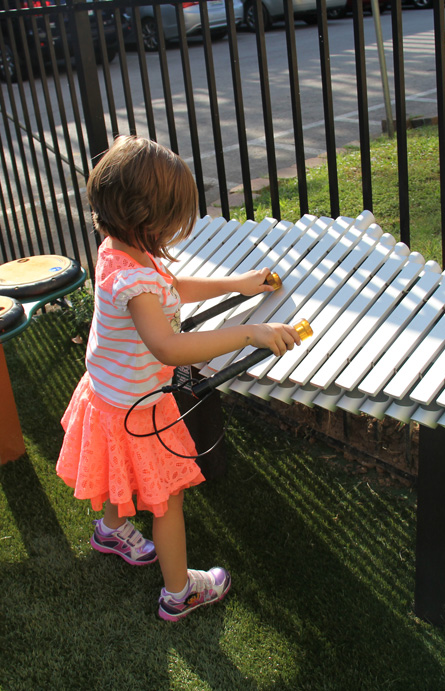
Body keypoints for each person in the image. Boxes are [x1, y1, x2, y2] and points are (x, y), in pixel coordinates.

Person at [57, 135, 302, 622]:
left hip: (107, 395)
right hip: (136, 410)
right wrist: (247, 333)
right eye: (172, 221)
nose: (175, 231)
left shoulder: (119, 249)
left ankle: (111, 531)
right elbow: (167, 346)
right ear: (144, 217)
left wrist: (236, 283)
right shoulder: (132, 275)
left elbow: (169, 288)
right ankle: (180, 592)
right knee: (167, 502)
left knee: (117, 473)